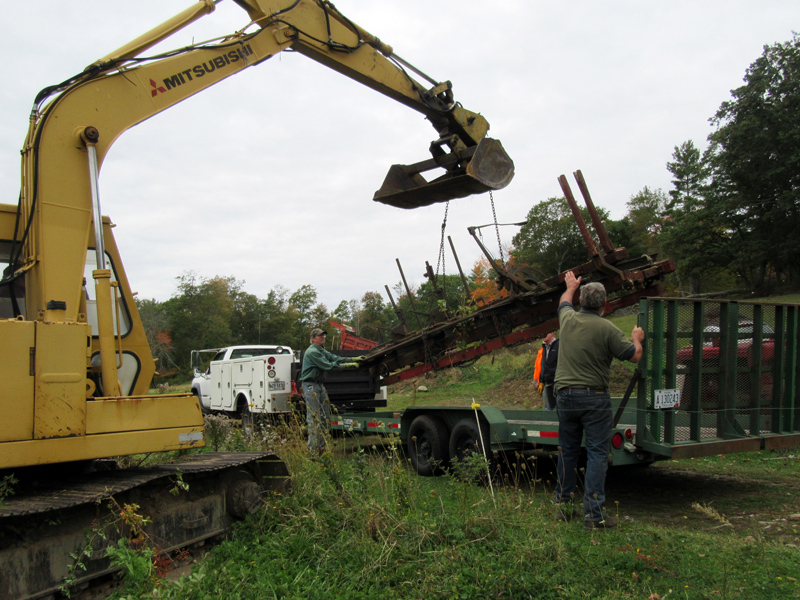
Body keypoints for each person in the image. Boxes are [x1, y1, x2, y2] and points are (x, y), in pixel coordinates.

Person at [554, 271, 644, 531]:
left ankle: (562, 507)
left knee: (567, 452)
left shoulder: (567, 320)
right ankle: (593, 516)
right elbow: (633, 356)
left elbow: (563, 301)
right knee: (596, 454)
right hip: (594, 398)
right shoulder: (607, 329)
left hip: (564, 396)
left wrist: (570, 286)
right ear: (604, 305)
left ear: (581, 300)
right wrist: (637, 339)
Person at [300, 328, 359, 455]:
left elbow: (334, 358)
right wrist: (348, 366)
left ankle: (322, 449)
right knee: (314, 419)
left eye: (323, 335)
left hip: (319, 386)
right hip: (311, 386)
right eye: (320, 335)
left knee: (325, 418)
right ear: (313, 338)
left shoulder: (321, 350)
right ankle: (314, 453)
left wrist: (354, 359)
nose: (323, 337)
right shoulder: (312, 352)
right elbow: (328, 365)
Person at [533, 332, 559, 410]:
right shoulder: (544, 349)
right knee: (548, 408)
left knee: (558, 409)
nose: (543, 335)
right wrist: (542, 381)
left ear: (551, 333)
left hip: (557, 383)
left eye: (545, 332)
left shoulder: (559, 345)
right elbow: (544, 367)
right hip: (547, 384)